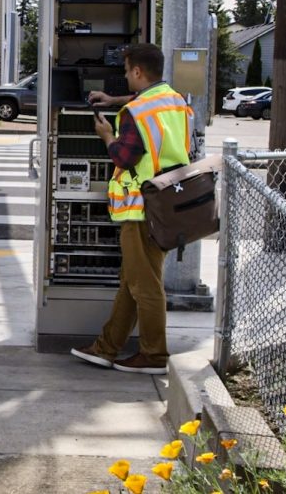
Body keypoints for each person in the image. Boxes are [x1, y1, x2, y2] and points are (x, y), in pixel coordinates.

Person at [71, 43, 192, 376]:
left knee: (145, 285)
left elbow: (124, 157)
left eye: (126, 71)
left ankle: (153, 356)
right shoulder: (174, 99)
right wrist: (113, 101)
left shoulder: (136, 114)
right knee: (132, 280)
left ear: (137, 72)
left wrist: (107, 135)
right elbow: (147, 103)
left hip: (141, 209)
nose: (124, 77)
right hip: (166, 204)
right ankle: (106, 348)